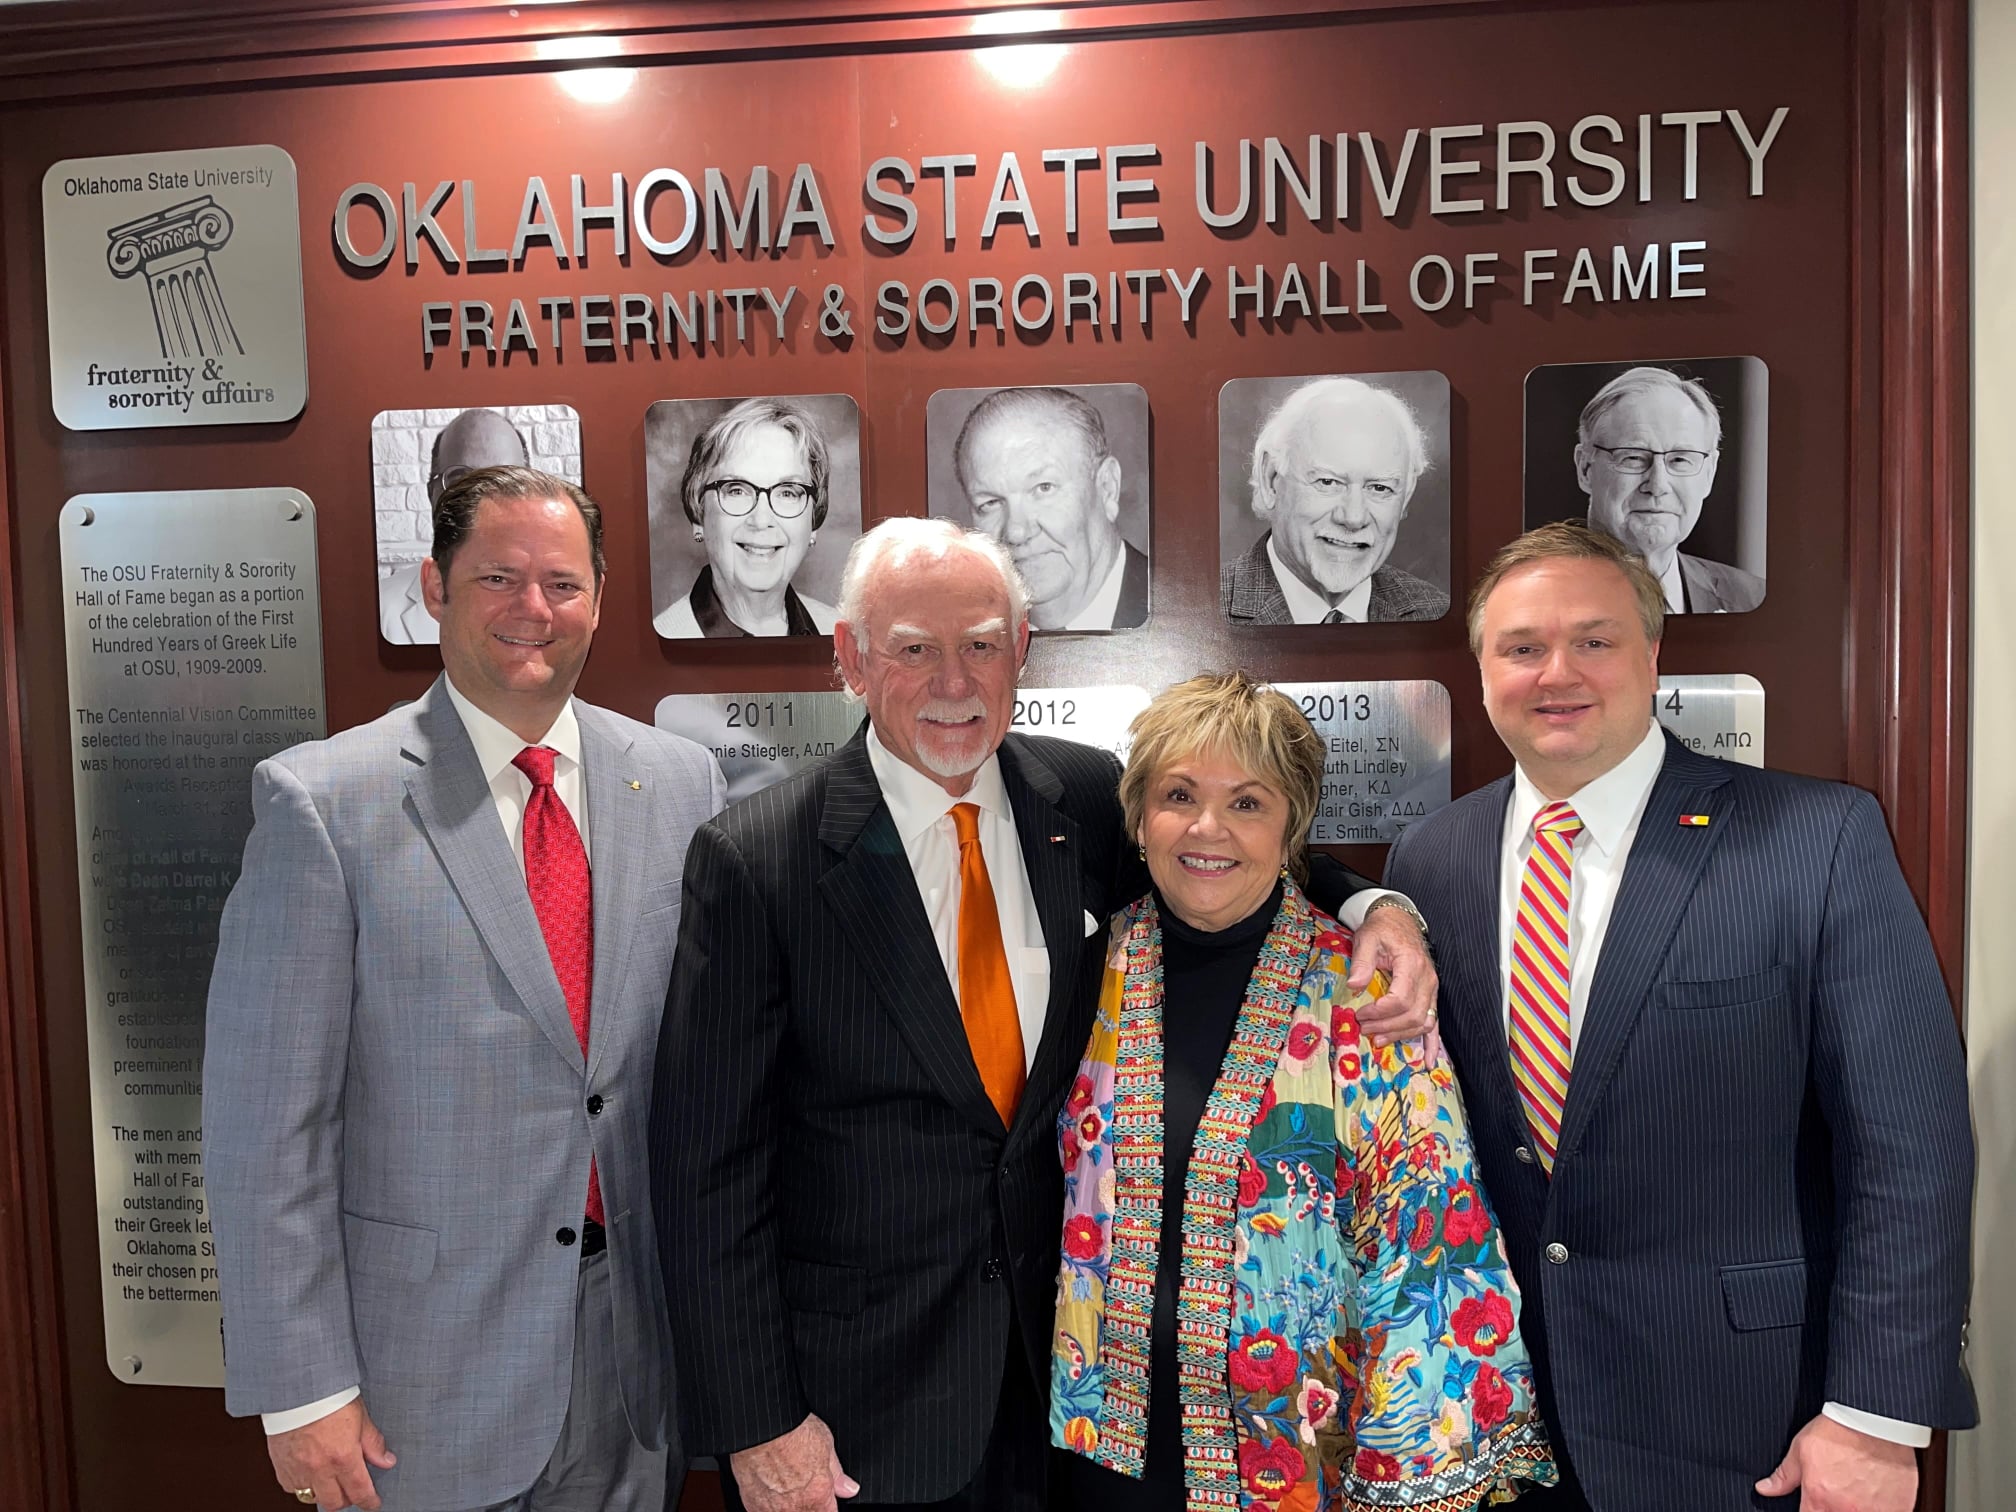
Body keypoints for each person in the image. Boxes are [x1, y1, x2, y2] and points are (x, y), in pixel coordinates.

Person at [651, 517, 1437, 1512]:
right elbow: (704, 1171)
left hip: (1071, 1408)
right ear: (849, 656)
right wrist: (757, 1420)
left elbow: (1227, 851)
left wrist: (1375, 904)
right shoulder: (756, 860)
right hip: (855, 1420)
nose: (953, 680)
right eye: (914, 649)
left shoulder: (1081, 792)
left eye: (981, 644)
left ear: (1021, 649)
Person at [1384, 523, 1976, 1512]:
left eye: (1596, 640)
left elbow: (1910, 1145)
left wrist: (1873, 1418)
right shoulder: (1431, 860)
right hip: (1498, 1425)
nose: (1557, 672)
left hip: (1748, 1428)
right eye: (1522, 646)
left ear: (1654, 655)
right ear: (1482, 671)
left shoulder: (1816, 839)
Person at [206, 466, 725, 1512]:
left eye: (564, 584)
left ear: (601, 598)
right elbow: (265, 1130)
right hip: (419, 1389)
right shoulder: (324, 804)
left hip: (632, 1366)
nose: (535, 610)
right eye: (499, 577)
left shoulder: (678, 781)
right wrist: (301, 1390)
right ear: (434, 588)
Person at [1049, 671, 1555, 1510]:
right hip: (1100, 1453)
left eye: (1248, 802)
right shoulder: (1082, 972)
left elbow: (1428, 1247)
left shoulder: (1368, 993)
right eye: (1179, 795)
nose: (1208, 828)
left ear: (1292, 831)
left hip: (1306, 1463)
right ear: (1138, 819)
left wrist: (1404, 1478)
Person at [1222, 375, 1449, 625]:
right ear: (1271, 479)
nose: (1353, 518)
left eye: (1379, 487)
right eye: (1328, 482)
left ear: (1406, 495)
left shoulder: (1435, 613)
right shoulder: (1205, 608)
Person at [950, 386, 1149, 630]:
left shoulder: (1190, 610)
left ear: (1107, 488)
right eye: (990, 503)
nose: (1016, 532)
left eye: (1044, 488)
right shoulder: (966, 633)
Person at [1572, 365, 1764, 614]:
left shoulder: (1752, 599)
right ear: (1585, 468)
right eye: (1633, 458)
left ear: (1709, 474)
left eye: (1680, 460)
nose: (1658, 486)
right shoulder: (1529, 596)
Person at [655, 396, 839, 638]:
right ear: (699, 514)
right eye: (736, 490)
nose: (761, 520)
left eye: (787, 492)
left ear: (813, 521)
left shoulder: (840, 633)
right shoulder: (663, 637)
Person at [379, 407, 531, 644]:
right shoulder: (380, 608)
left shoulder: (563, 606)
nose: (482, 501)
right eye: (460, 479)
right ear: (432, 494)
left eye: (504, 480)